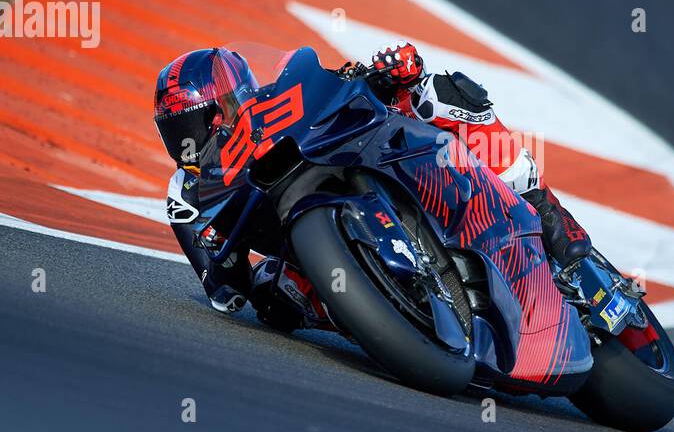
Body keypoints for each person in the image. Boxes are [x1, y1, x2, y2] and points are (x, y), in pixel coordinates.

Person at [151, 44, 591, 326]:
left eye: (201, 116)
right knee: (274, 293)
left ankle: (543, 206)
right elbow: (224, 288)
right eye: (178, 128)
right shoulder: (187, 193)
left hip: (362, 165)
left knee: (435, 92)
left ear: (230, 98)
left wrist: (387, 71)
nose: (194, 135)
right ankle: (396, 314)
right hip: (304, 256)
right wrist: (227, 264)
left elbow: (342, 82)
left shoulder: (275, 102)